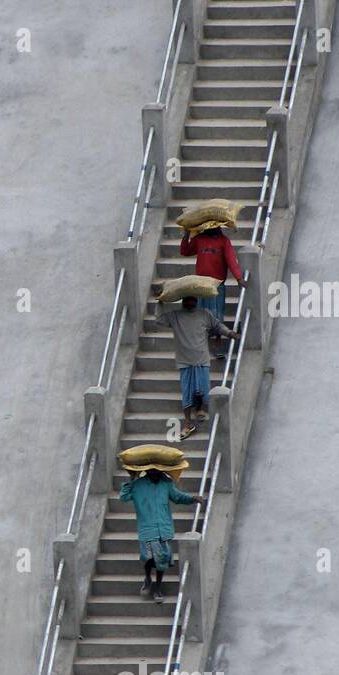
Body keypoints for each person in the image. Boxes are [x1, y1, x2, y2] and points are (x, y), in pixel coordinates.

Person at [149, 295, 238, 438]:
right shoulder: (175, 316)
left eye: (193, 300)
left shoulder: (204, 314)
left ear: (196, 301)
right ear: (183, 302)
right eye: (187, 300)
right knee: (187, 394)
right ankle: (188, 423)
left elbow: (217, 325)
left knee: (203, 389)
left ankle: (201, 408)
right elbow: (159, 319)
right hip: (185, 361)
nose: (190, 302)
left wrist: (229, 333)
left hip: (202, 359)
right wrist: (160, 302)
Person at [119, 466, 204, 603]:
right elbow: (123, 497)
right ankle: (148, 577)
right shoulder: (137, 485)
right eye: (152, 472)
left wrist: (192, 499)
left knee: (162, 560)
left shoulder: (166, 484)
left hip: (164, 529)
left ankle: (158, 587)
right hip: (147, 529)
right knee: (148, 557)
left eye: (157, 472)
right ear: (146, 472)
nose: (155, 474)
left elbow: (177, 497)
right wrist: (131, 479)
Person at [180, 225, 247, 357]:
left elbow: (231, 261)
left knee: (217, 316)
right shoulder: (199, 239)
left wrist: (239, 278)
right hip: (201, 285)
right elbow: (185, 251)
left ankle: (217, 346)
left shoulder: (224, 241)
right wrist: (187, 234)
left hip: (217, 286)